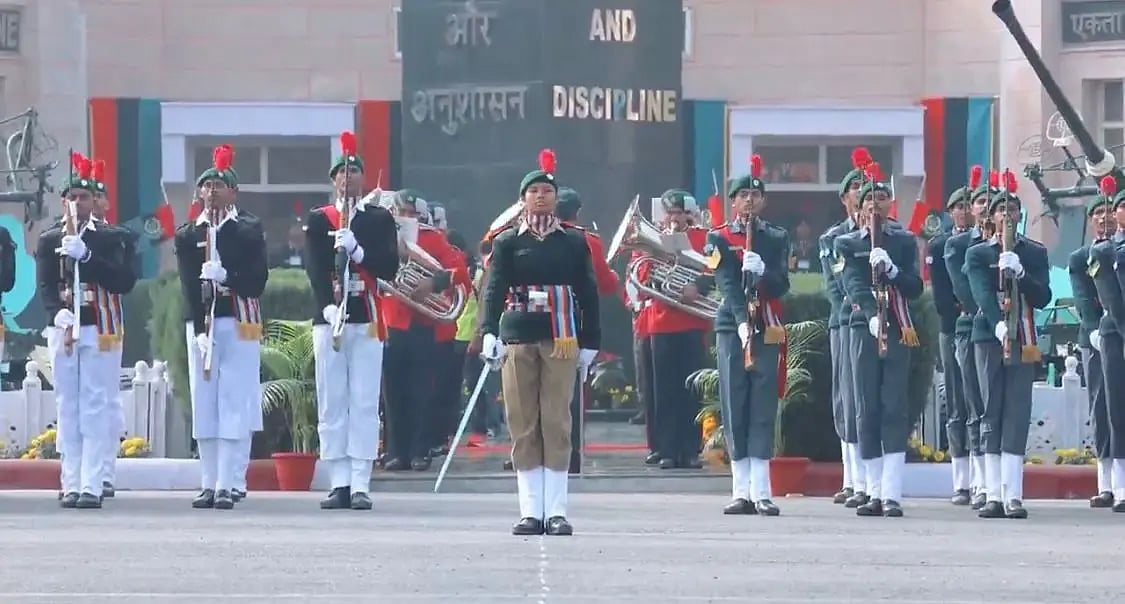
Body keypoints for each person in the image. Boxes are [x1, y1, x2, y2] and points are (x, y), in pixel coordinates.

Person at [479, 148, 601, 535]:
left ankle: (557, 510)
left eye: (547, 189)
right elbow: (493, 288)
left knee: (556, 421)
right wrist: (487, 332)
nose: (541, 196)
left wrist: (591, 341)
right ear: (522, 199)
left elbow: (589, 291)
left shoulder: (574, 242)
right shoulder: (508, 242)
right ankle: (530, 510)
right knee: (522, 422)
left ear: (557, 197)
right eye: (534, 190)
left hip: (561, 337)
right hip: (518, 336)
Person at [304, 131, 400, 510]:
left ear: (363, 179)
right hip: (330, 319)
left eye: (354, 172)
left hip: (366, 316)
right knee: (332, 400)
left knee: (363, 400)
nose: (348, 179)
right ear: (334, 181)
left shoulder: (378, 219)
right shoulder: (319, 219)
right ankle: (338, 480)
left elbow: (389, 265)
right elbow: (314, 269)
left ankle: (361, 481)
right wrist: (327, 305)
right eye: (342, 174)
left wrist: (357, 250)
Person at [38, 152, 137, 509]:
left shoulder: (112, 237)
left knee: (96, 403)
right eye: (71, 197)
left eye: (83, 196)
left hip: (99, 327)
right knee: (68, 405)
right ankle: (71, 480)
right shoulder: (50, 240)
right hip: (64, 328)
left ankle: (93, 482)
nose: (77, 202)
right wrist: (56, 313)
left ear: (94, 201)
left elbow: (124, 280)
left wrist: (88, 258)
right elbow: (47, 285)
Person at [175, 144, 268, 510]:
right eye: (207, 185)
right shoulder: (188, 235)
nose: (212, 191)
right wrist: (198, 329)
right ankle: (209, 482)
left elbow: (257, 278)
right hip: (203, 328)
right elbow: (187, 286)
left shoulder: (246, 229)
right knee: (205, 403)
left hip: (237, 320)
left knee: (233, 400)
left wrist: (227, 276)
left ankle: (229, 481)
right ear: (199, 192)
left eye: (219, 184)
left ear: (233, 192)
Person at [834, 162, 923, 518]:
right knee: (866, 408)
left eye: (882, 197)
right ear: (858, 206)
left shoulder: (902, 241)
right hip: (863, 328)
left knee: (893, 407)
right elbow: (851, 284)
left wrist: (894, 270)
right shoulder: (846, 243)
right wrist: (871, 315)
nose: (875, 203)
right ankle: (871, 489)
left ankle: (892, 493)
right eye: (869, 198)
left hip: (900, 328)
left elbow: (915, 287)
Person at [964, 170, 1051, 519]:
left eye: (1013, 210)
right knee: (990, 411)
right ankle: (992, 493)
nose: (1007, 215)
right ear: (992, 217)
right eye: (1001, 210)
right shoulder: (977, 253)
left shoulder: (1034, 253)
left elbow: (1043, 296)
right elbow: (981, 294)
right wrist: (997, 323)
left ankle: (1012, 494)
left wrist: (1021, 274)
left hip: (1024, 340)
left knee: (1016, 412)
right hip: (989, 337)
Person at [708, 155, 790, 516]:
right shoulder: (719, 238)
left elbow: (782, 284)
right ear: (733, 201)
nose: (749, 200)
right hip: (732, 327)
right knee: (734, 404)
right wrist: (741, 320)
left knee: (762, 406)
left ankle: (763, 490)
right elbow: (726, 282)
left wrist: (763, 274)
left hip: (767, 326)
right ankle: (740, 488)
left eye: (756, 194)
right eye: (743, 195)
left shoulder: (776, 236)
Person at [382, 189, 470, 471]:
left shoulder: (434, 239)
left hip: (425, 324)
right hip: (393, 322)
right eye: (401, 213)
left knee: (423, 391)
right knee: (393, 392)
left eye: (411, 214)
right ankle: (395, 451)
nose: (406, 218)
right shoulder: (382, 237)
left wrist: (432, 285)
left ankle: (420, 450)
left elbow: (461, 273)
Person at [641, 189, 711, 469]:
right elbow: (644, 273)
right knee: (664, 390)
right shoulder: (655, 241)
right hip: (662, 323)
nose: (675, 218)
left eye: (680, 213)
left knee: (692, 388)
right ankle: (668, 449)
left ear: (689, 215)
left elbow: (714, 270)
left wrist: (698, 288)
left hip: (693, 321)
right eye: (670, 212)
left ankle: (691, 449)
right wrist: (665, 279)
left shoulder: (703, 239)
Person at [555, 186, 618, 472]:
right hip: (575, 324)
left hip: (537, 322)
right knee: (572, 394)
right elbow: (605, 285)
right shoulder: (589, 240)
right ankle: (571, 455)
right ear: (577, 212)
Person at [944, 168, 996, 510]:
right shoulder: (958, 245)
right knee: (972, 404)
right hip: (969, 329)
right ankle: (974, 480)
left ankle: (990, 481)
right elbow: (962, 292)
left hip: (1003, 331)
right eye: (978, 202)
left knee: (994, 405)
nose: (980, 207)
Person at [820, 148, 866, 506]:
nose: (863, 194)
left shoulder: (889, 233)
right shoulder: (833, 238)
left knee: (870, 398)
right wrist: (853, 308)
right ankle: (851, 476)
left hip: (880, 323)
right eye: (857, 188)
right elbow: (833, 285)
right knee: (846, 397)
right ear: (845, 197)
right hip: (846, 322)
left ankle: (870, 478)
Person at [928, 172, 975, 505]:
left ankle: (985, 475)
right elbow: (940, 294)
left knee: (982, 400)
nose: (963, 211)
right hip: (953, 326)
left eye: (967, 205)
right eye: (956, 207)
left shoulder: (983, 241)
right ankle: (962, 479)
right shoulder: (940, 245)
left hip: (983, 327)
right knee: (957, 400)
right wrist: (960, 311)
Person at [1070, 175, 1116, 508]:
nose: (1104, 217)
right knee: (1101, 406)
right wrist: (1094, 328)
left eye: (1109, 210)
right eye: (1097, 212)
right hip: (1097, 339)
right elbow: (1084, 299)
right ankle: (1106, 481)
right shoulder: (1081, 257)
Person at [89, 158, 134, 499]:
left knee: (105, 399)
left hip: (106, 323)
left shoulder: (117, 237)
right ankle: (80, 473)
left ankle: (105, 470)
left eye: (96, 197)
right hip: (73, 326)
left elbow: (123, 279)